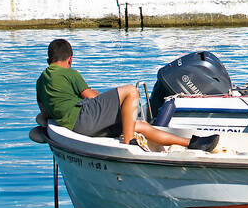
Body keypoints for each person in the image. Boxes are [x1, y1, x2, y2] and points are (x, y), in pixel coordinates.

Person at [35, 39, 218, 151]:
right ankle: (129, 141)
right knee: (130, 91)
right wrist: (100, 96)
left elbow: (43, 114)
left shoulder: (40, 82)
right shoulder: (69, 73)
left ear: (48, 60)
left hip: (78, 127)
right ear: (70, 58)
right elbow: (90, 97)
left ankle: (192, 143)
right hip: (84, 119)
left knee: (140, 125)